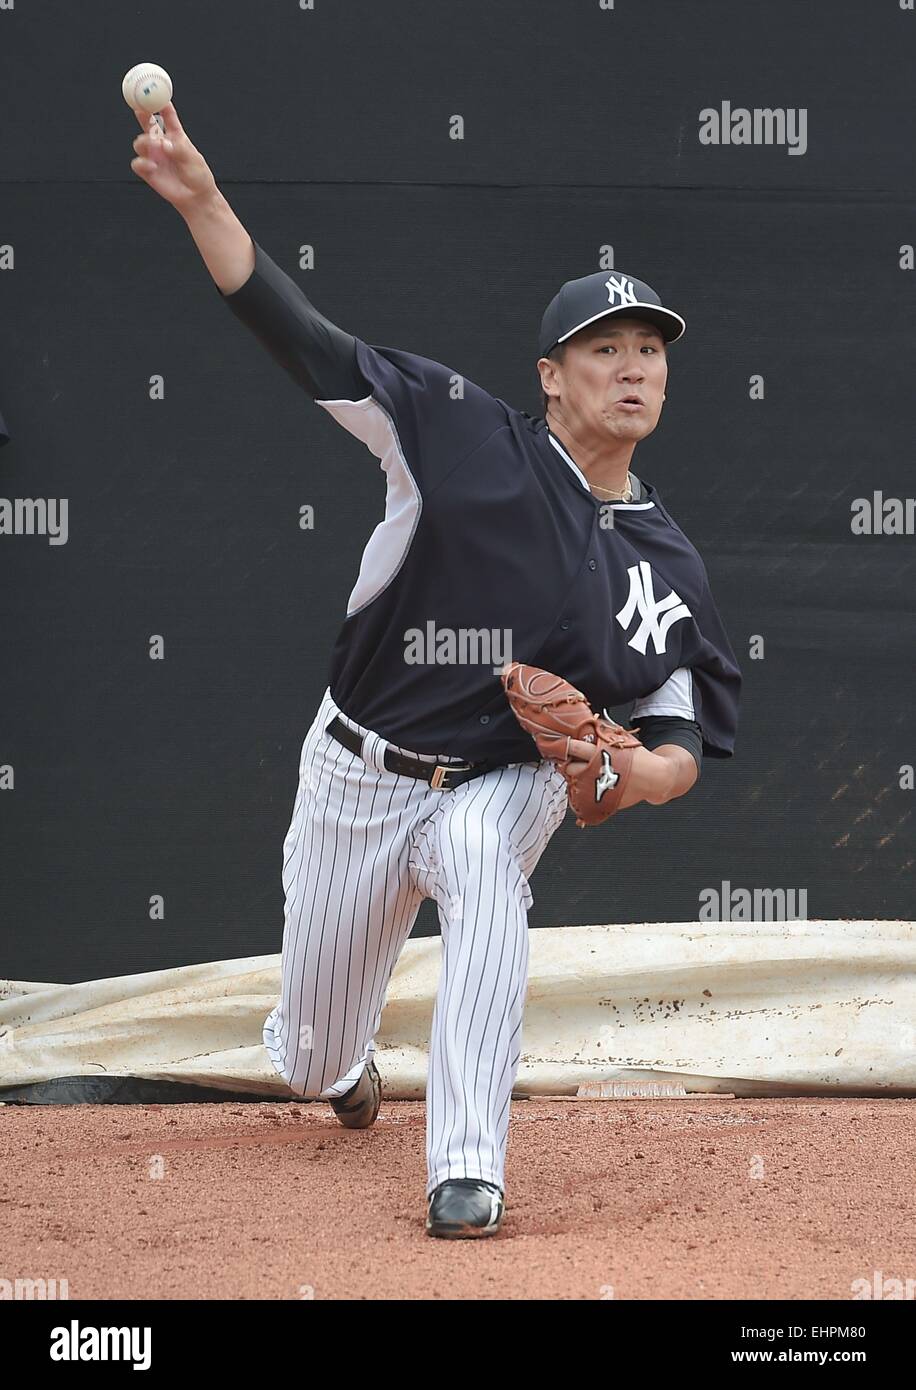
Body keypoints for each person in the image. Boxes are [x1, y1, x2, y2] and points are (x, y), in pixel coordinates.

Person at [130, 103, 741, 1239]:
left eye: (648, 350)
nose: (631, 368)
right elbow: (304, 337)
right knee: (310, 1054)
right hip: (358, 771)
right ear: (551, 377)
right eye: (604, 348)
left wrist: (638, 772)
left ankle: (467, 1165)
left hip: (501, 780)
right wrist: (202, 200)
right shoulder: (459, 435)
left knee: (476, 854)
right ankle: (338, 1066)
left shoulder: (666, 562)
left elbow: (679, 731)